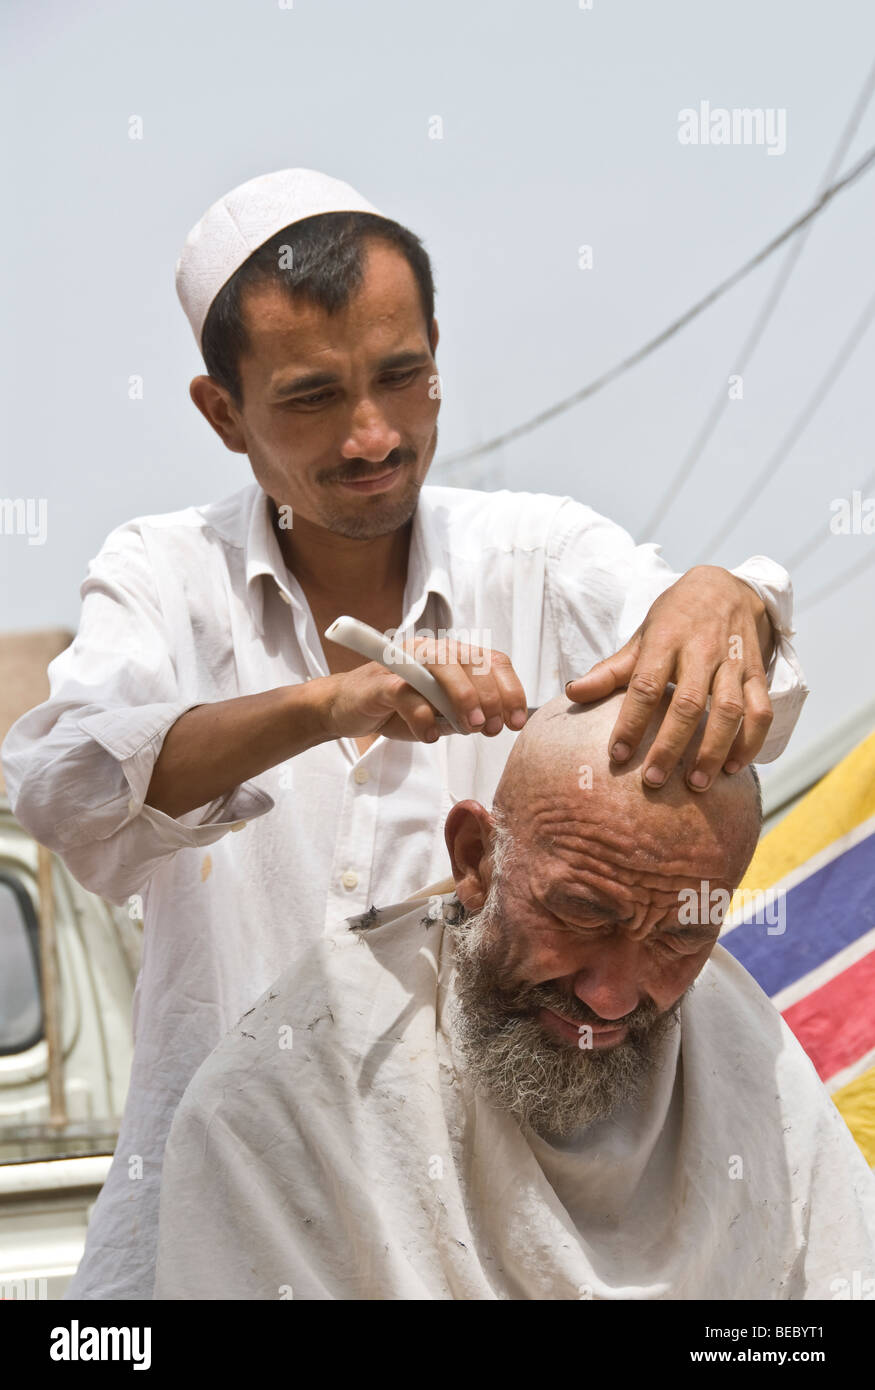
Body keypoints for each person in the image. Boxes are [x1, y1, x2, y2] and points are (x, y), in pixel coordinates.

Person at [1, 168, 807, 1299]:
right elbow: (65, 781)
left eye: (400, 378)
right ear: (221, 412)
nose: (372, 435)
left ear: (438, 360)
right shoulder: (165, 578)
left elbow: (739, 683)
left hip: (477, 1242)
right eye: (311, 398)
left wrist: (734, 598)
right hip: (212, 1223)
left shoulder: (536, 556)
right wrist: (330, 705)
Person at [154, 691, 875, 1301]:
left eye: (678, 941)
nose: (612, 998)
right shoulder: (287, 1100)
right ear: (474, 858)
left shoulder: (743, 1045)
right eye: (584, 916)